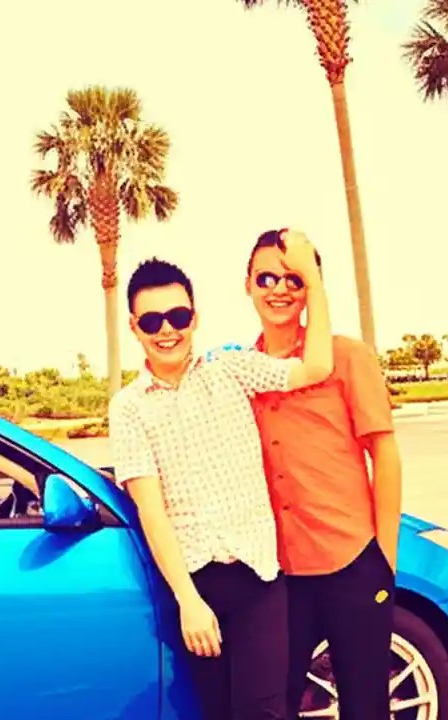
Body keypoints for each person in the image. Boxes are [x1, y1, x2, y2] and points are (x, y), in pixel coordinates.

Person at [108, 230, 333, 720]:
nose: (167, 330)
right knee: (215, 712)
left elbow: (315, 368)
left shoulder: (231, 369)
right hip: (196, 586)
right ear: (134, 327)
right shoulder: (128, 408)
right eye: (152, 321)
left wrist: (312, 282)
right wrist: (188, 601)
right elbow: (152, 511)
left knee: (266, 712)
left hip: (259, 579)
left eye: (178, 316)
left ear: (195, 317)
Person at [241, 229, 404, 720]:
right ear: (247, 285)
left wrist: (384, 559)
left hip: (352, 563)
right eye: (266, 277)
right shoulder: (241, 372)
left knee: (365, 707)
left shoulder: (347, 357)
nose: (279, 289)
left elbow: (385, 454)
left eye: (294, 279)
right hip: (279, 576)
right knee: (277, 705)